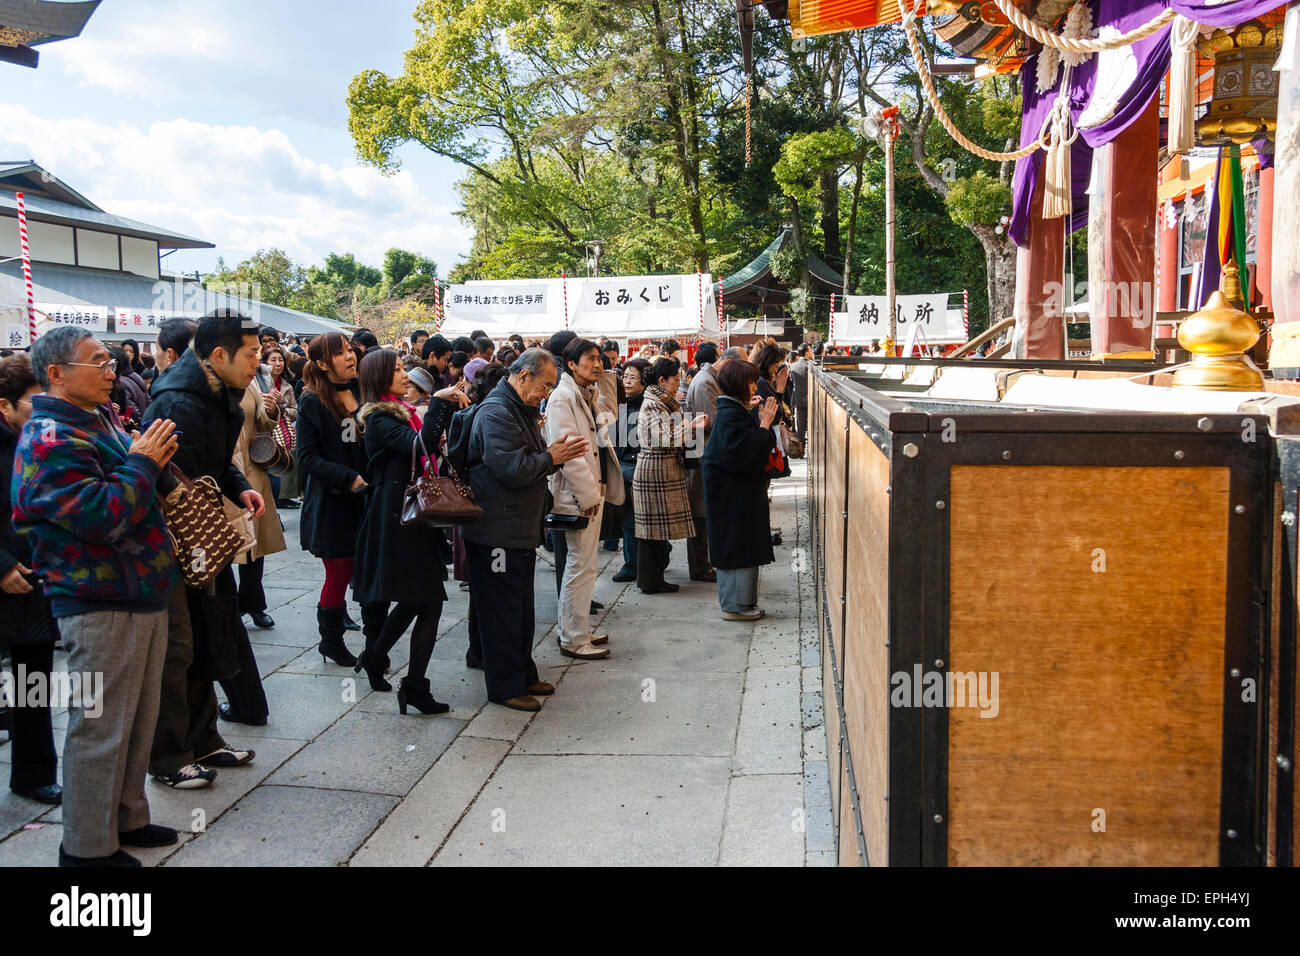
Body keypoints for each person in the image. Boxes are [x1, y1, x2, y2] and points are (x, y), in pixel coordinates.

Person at [14, 326, 181, 866]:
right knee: (99, 726)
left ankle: (127, 817)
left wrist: (148, 460)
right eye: (97, 361)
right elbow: (99, 515)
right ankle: (86, 848)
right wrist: (144, 461)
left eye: (111, 359)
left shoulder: (95, 419)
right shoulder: (49, 438)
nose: (112, 369)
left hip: (139, 588)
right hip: (97, 596)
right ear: (57, 374)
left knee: (136, 719)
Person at [144, 311, 269, 743]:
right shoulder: (179, 402)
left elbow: (215, 463)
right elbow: (170, 475)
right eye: (252, 353)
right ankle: (179, 750)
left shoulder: (213, 389)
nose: (259, 361)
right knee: (187, 644)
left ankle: (205, 740)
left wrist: (237, 489)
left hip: (203, 533)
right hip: (181, 540)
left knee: (208, 632)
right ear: (219, 354)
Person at [463, 348, 588, 711]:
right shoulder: (497, 411)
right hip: (495, 530)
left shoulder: (517, 407)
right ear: (523, 376)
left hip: (515, 526)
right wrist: (553, 457)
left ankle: (521, 672)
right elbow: (512, 469)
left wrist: (550, 453)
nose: (545, 393)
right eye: (544, 385)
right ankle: (504, 685)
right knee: (502, 610)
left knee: (519, 607)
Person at [352, 349, 471, 713]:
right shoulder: (380, 420)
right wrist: (437, 402)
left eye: (405, 368)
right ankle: (412, 684)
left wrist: (440, 407)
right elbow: (422, 446)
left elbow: (428, 445)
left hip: (409, 520)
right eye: (398, 370)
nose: (406, 375)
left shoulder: (401, 416)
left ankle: (379, 658)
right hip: (396, 522)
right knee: (427, 600)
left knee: (421, 600)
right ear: (379, 377)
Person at [0, 355, 60, 807]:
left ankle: (34, 773)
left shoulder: (41, 439)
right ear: (5, 405)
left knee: (31, 681)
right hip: (8, 570)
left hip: (34, 577)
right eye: (33, 402)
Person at [545, 338, 624, 660]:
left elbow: (610, 416)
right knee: (579, 566)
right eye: (590, 359)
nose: (598, 364)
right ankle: (573, 638)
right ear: (571, 364)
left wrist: (603, 378)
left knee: (585, 567)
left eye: (599, 359)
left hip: (593, 488)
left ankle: (576, 630)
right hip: (580, 494)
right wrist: (588, 493)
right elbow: (569, 453)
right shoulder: (562, 398)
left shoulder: (584, 394)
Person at [297, 331, 367, 664]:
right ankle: (331, 641)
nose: (350, 356)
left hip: (366, 498)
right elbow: (307, 457)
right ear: (323, 364)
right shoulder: (312, 400)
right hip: (334, 503)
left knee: (362, 568)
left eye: (349, 350)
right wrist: (348, 478)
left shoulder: (359, 390)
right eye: (340, 353)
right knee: (338, 573)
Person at [702, 359, 780, 622]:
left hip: (737, 495)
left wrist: (754, 414)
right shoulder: (729, 416)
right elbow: (746, 455)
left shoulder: (733, 411)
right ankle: (734, 607)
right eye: (750, 382)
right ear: (738, 384)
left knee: (744, 546)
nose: (753, 386)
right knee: (736, 548)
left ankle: (743, 603)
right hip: (731, 497)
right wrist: (764, 424)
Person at [633, 357, 707, 594]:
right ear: (662, 380)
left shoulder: (661, 401)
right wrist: (691, 426)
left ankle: (654, 580)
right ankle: (650, 581)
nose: (679, 383)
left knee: (655, 531)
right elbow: (663, 438)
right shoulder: (653, 403)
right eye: (676, 379)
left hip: (661, 469)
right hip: (655, 470)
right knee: (650, 532)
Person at [231, 375, 287, 631]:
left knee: (255, 545)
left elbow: (262, 423)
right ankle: (226, 606)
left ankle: (253, 603)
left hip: (252, 468)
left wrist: (271, 409)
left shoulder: (250, 380)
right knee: (223, 545)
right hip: (223, 469)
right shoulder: (207, 379)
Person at [682, 341, 724, 583]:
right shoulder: (705, 382)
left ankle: (702, 564)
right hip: (700, 453)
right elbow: (710, 421)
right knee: (699, 512)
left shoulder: (707, 379)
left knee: (702, 511)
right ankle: (699, 567)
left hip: (701, 452)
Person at [612, 357, 649, 582]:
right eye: (625, 376)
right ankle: (633, 563)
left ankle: (638, 564)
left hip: (637, 467)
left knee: (638, 521)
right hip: (621, 466)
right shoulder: (618, 403)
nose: (627, 381)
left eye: (633, 377)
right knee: (629, 521)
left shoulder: (647, 404)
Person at [257, 345, 301, 508]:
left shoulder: (287, 385)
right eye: (273, 360)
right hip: (268, 428)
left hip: (285, 428)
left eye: (280, 359)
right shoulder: (258, 383)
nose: (278, 363)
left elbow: (295, 411)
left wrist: (281, 405)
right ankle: (277, 496)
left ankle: (285, 495)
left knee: (288, 458)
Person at [790, 343, 812, 445]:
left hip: (798, 400)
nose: (812, 352)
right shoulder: (812, 366)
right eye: (810, 350)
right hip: (811, 400)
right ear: (807, 352)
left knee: (800, 427)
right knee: (813, 426)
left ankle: (801, 450)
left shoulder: (793, 366)